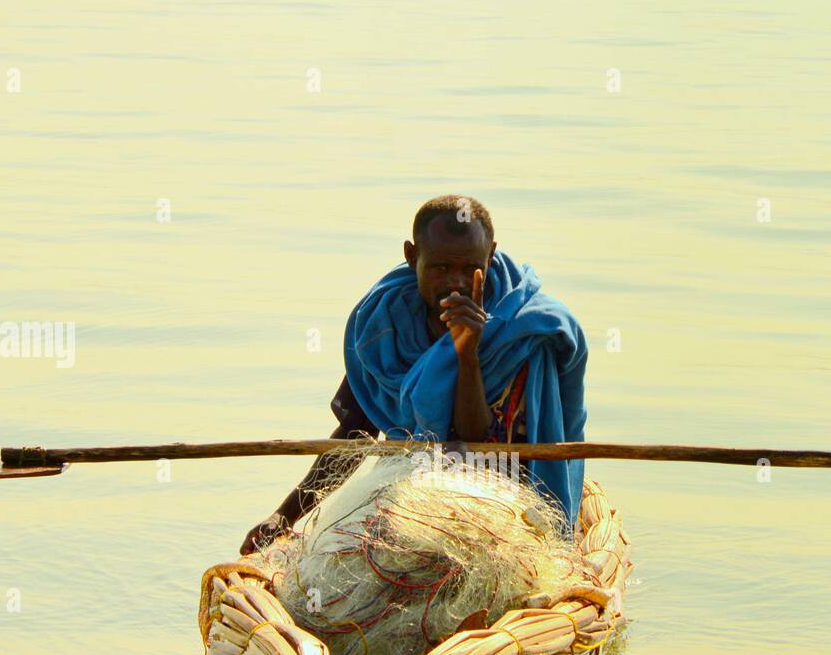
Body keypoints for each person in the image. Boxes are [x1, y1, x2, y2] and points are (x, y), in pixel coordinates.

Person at [240, 195, 588, 554]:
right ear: (411, 256)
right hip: (417, 484)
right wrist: (284, 516)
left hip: (511, 498)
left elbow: (475, 436)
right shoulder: (385, 325)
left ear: (491, 256)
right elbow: (354, 437)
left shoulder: (525, 332)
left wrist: (468, 355)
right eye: (439, 268)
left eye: (470, 268)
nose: (456, 283)